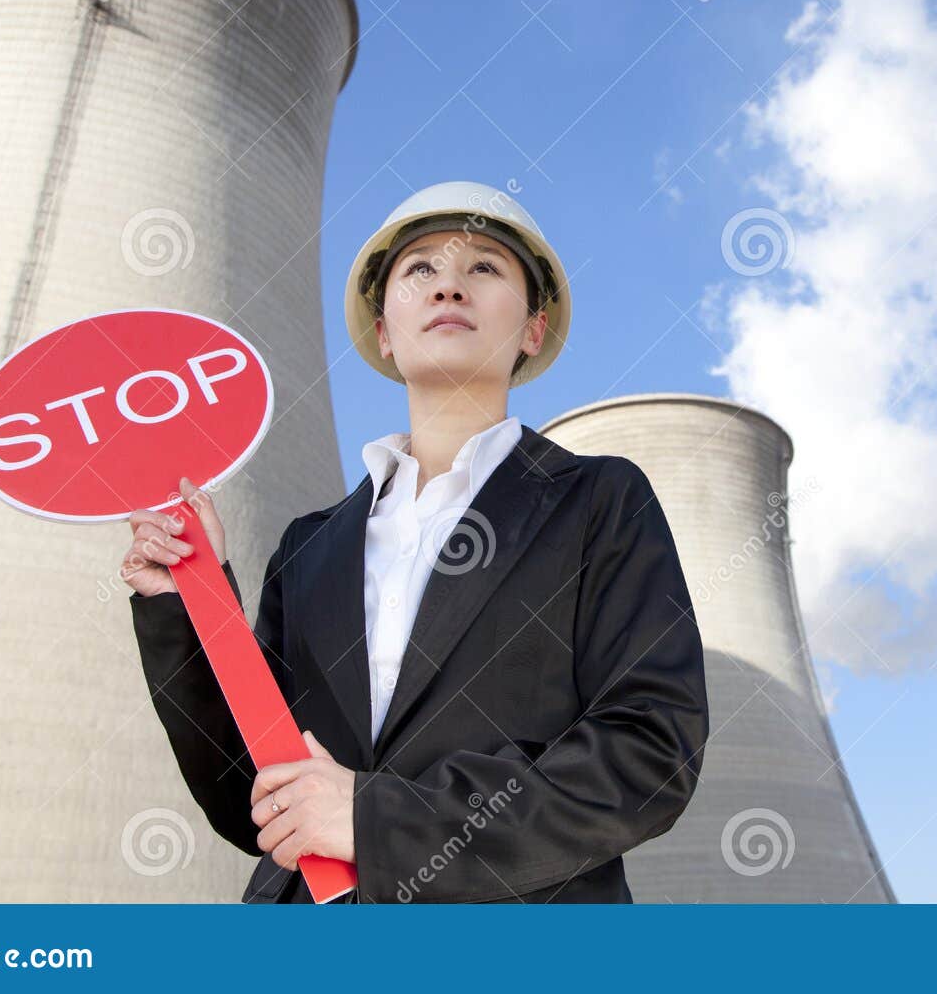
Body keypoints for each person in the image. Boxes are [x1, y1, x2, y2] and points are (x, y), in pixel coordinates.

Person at [121, 180, 709, 903]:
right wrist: (191, 600)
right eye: (421, 268)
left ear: (533, 329)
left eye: (484, 267)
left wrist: (376, 821)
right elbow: (252, 790)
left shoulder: (598, 502)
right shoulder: (311, 547)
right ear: (383, 332)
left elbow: (648, 749)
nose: (448, 286)